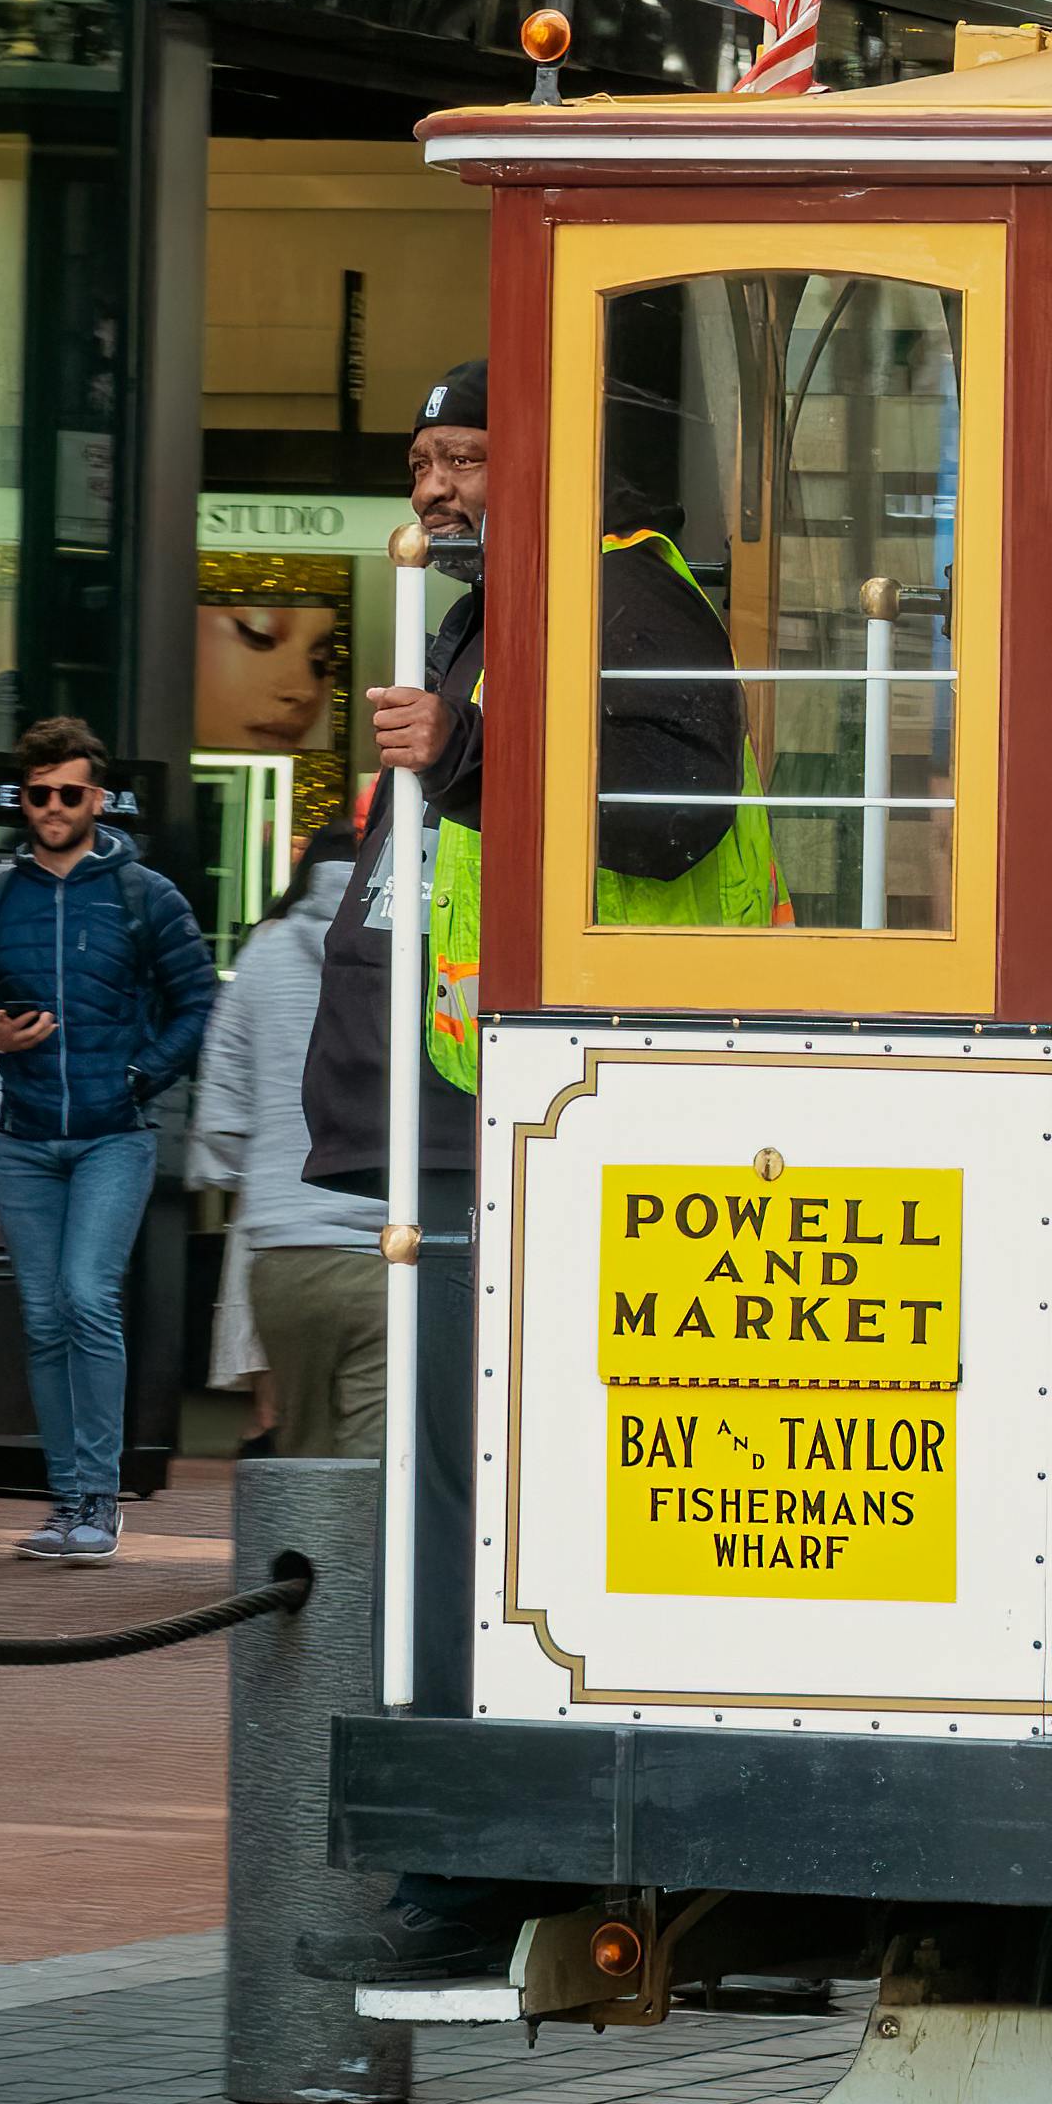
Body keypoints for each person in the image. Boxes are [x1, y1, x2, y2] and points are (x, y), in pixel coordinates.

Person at [297, 359, 745, 1998]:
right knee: (442, 1500)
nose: (436, 485)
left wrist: (471, 745)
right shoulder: (501, 606)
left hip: (541, 1119)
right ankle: (454, 1852)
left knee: (480, 1511)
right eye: (421, 458)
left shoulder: (624, 591)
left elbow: (674, 813)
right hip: (461, 1123)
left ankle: (477, 1860)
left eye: (466, 454)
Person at [0, 718, 214, 1565]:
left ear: (98, 797)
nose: (53, 807)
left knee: (87, 1297)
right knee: (45, 1316)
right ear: (24, 799)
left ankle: (96, 1496)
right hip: (25, 1141)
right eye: (40, 794)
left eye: (70, 793)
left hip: (113, 1135)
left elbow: (196, 1003)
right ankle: (67, 1502)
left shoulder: (144, 895)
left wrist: (137, 1078)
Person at [196, 824, 381, 1451]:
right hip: (382, 1242)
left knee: (300, 1449)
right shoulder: (414, 948)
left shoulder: (261, 957)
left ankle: (304, 1549)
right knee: (376, 1457)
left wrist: (251, 1180)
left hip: (280, 1251)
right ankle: (361, 1552)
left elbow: (219, 1117)